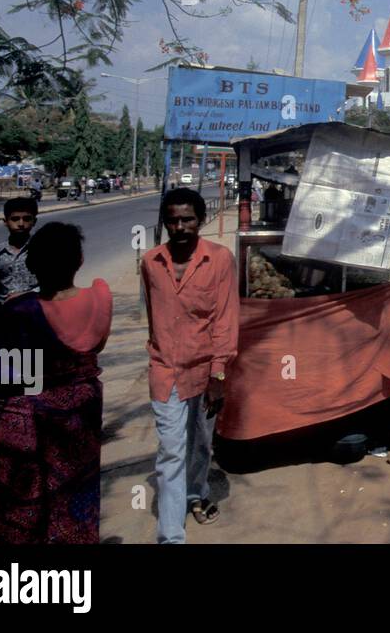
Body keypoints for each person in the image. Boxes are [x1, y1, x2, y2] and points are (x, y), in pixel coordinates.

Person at [0, 222, 113, 543]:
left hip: (26, 430)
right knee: (73, 503)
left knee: (20, 516)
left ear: (31, 264)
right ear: (80, 260)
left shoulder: (19, 311)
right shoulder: (100, 297)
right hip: (81, 421)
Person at [141, 187, 239, 543]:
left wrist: (219, 374)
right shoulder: (151, 262)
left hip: (206, 370)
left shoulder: (220, 259)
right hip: (165, 370)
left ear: (201, 220)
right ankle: (171, 535)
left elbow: (227, 319)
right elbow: (154, 316)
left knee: (200, 442)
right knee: (170, 450)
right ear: (165, 222)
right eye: (173, 220)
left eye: (188, 219)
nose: (180, 227)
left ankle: (195, 493)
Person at [0, 197, 39, 332]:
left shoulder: (42, 250)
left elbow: (53, 285)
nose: (21, 223)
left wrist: (27, 295)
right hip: (2, 317)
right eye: (15, 219)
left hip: (34, 315)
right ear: (5, 222)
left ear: (34, 221)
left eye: (27, 219)